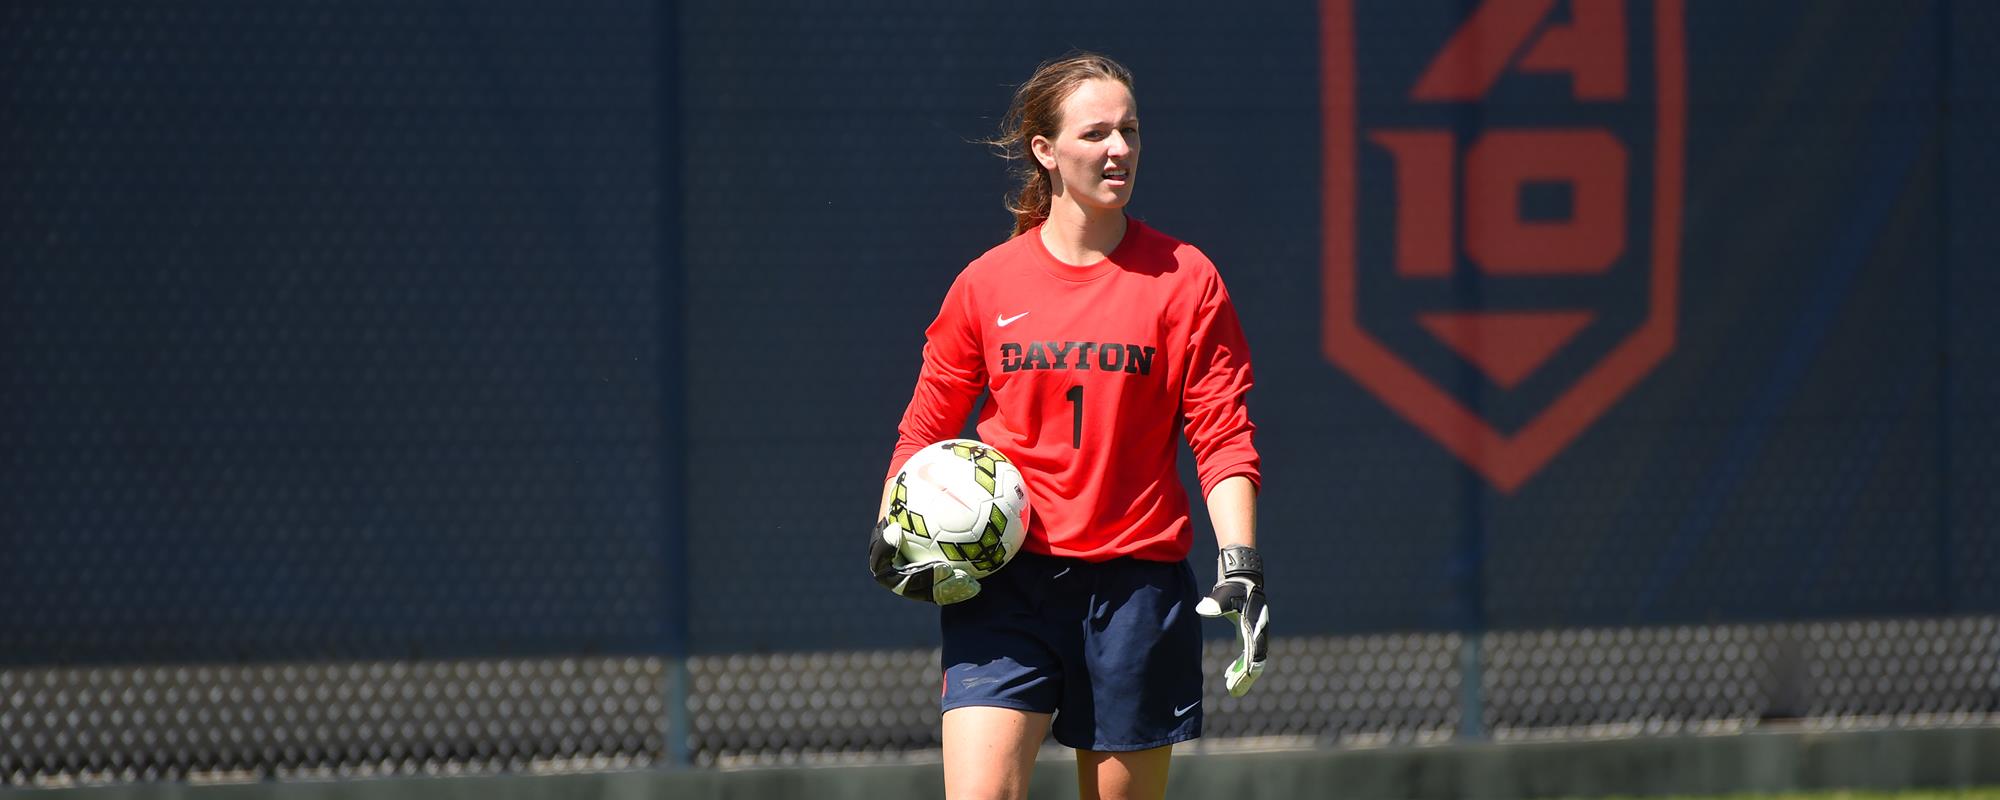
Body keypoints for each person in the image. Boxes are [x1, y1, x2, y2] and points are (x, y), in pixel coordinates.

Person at [868, 52, 1269, 800]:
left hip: (1136, 592)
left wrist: (1240, 561)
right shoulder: (987, 283)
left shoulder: (1187, 279)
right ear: (1045, 152)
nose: (1118, 149)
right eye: (1096, 134)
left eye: (1130, 131)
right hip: (1004, 584)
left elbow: (1220, 432)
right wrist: (897, 520)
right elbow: (923, 428)